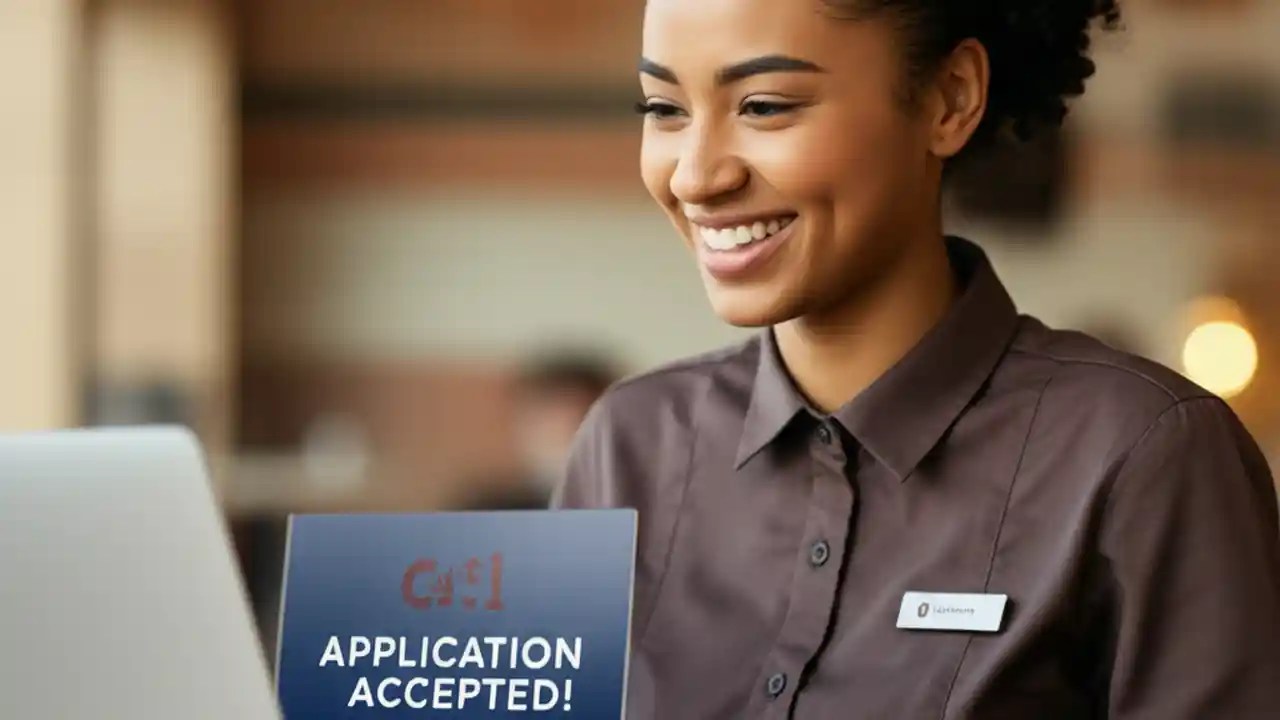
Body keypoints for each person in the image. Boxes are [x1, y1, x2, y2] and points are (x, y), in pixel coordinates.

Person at [553, 1, 1280, 718]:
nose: (695, 177)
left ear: (949, 99)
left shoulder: (1140, 453)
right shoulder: (626, 444)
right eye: (663, 109)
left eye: (765, 106)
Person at [468, 352, 618, 510]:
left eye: (577, 424)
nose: (563, 438)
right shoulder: (484, 510)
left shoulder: (629, 502)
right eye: (551, 429)